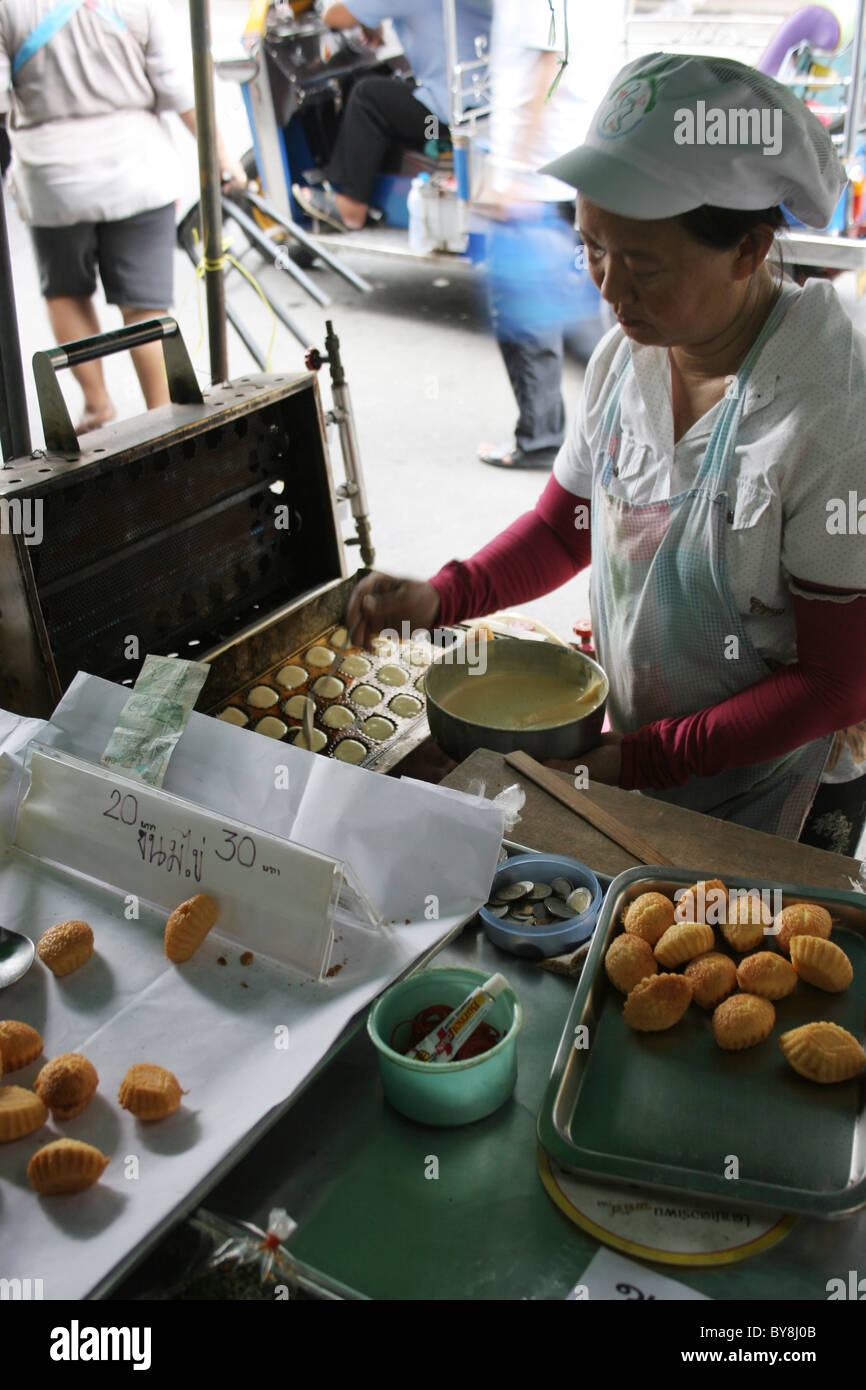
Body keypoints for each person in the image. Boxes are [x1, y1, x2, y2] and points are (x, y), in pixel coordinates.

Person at [346, 53, 866, 841]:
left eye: (646, 266)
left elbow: (837, 680)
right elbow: (568, 527)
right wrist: (444, 597)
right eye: (592, 248)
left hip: (777, 781)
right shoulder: (631, 356)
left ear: (749, 250)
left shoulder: (827, 409)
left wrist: (646, 759)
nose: (610, 290)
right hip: (641, 747)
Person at [0, 0, 247, 432]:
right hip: (137, 169)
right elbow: (179, 90)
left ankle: (97, 404)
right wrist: (223, 157)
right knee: (144, 309)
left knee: (66, 292)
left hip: (53, 176)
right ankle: (163, 419)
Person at [476, 0, 625, 470]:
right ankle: (629, 427)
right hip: (575, 163)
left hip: (539, 174)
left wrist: (514, 170)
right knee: (583, 311)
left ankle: (542, 439)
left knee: (526, 317)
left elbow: (547, 68)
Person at [292, 0, 491, 232]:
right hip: (486, 102)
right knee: (393, 82)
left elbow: (334, 15)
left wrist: (364, 18)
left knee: (366, 96)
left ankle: (351, 207)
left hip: (447, 117)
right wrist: (370, 20)